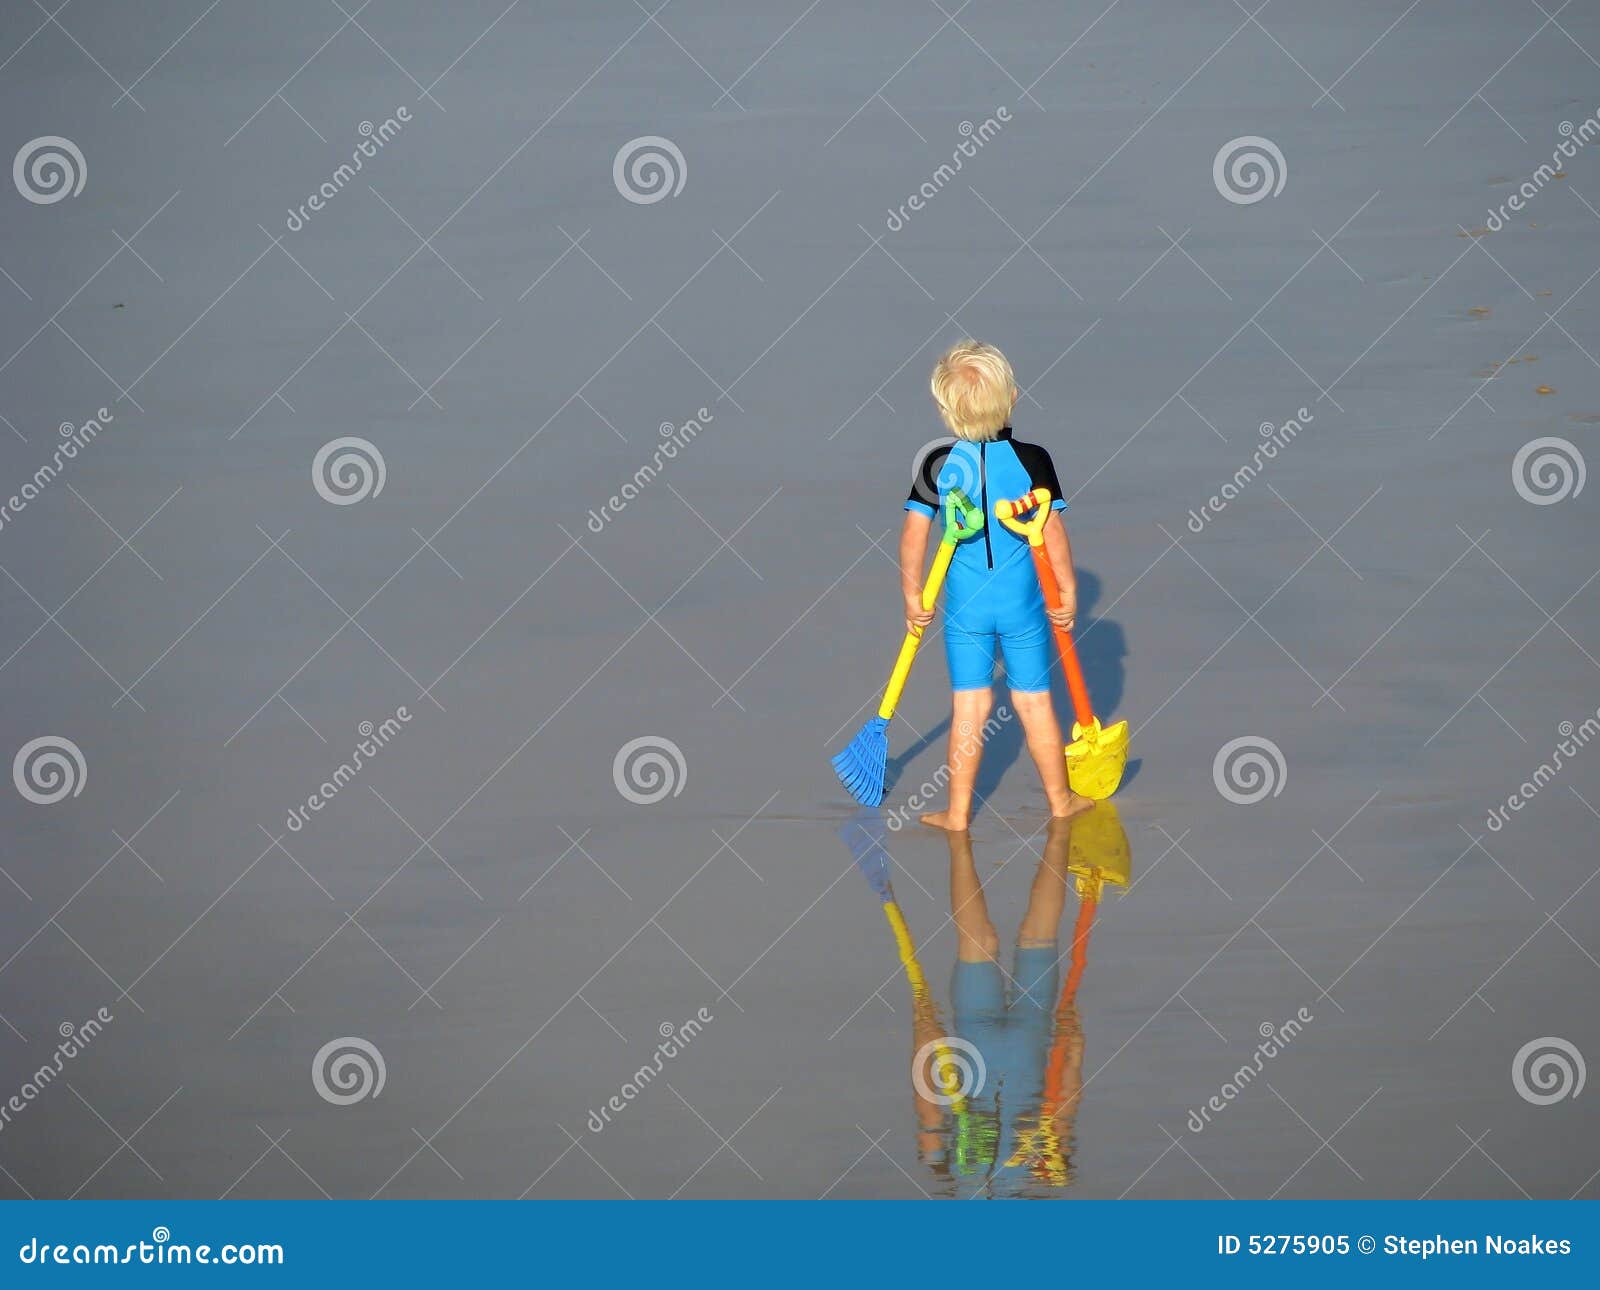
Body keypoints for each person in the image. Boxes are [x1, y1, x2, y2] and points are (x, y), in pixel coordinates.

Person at [902, 340, 1092, 829]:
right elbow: (1052, 532)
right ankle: (1060, 801)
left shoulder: (937, 462)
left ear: (945, 409)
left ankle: (958, 813)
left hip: (965, 607)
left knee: (971, 702)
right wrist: (1067, 592)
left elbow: (915, 533)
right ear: (1011, 397)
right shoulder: (1033, 460)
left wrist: (912, 596)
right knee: (1033, 701)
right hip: (1023, 606)